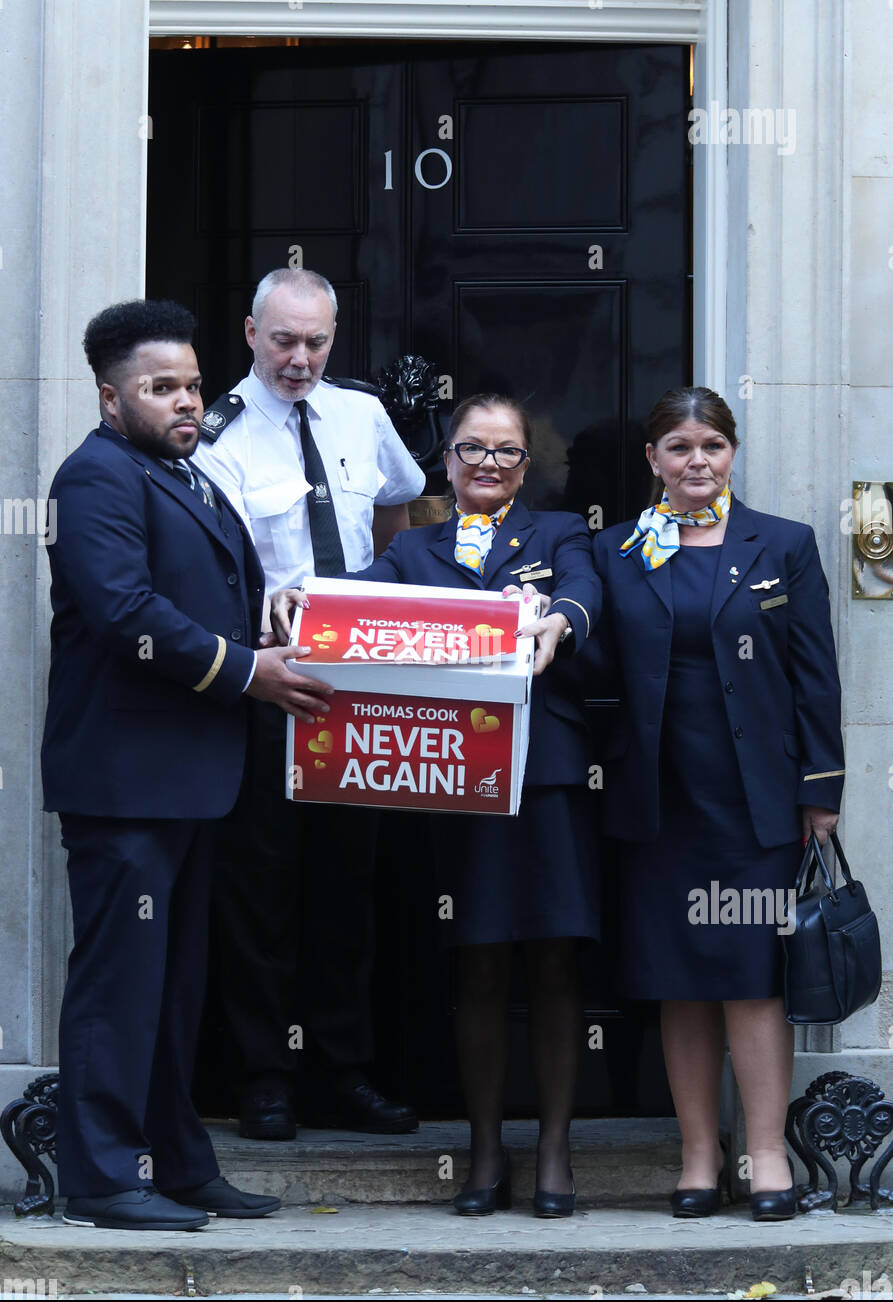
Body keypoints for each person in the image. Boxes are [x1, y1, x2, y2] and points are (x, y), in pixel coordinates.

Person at [272, 393, 602, 1216]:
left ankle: (555, 1149)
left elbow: (586, 596)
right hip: (460, 782)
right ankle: (484, 1148)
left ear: (527, 465)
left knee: (556, 957)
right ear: (445, 462)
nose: (488, 465)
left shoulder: (559, 534)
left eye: (506, 452)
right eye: (471, 450)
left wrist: (558, 620)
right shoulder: (412, 548)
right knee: (479, 960)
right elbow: (351, 610)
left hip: (551, 774)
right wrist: (294, 597)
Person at [41, 300, 328, 1229]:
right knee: (120, 984)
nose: (187, 403)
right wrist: (248, 671)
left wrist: (266, 617)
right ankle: (98, 1179)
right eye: (161, 388)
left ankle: (174, 1162)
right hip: (127, 782)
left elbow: (201, 593)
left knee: (174, 986)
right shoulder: (95, 477)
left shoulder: (185, 474)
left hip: (194, 779)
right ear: (110, 396)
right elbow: (126, 614)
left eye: (194, 385)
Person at [591, 387, 845, 1222]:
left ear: (730, 453)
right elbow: (593, 667)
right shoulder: (617, 549)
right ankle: (698, 1156)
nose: (696, 461)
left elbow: (815, 676)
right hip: (658, 800)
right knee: (679, 980)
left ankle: (765, 1156)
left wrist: (820, 793)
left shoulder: (782, 544)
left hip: (752, 805)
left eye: (710, 445)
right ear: (651, 460)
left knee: (748, 978)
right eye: (677, 447)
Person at [194, 268, 425, 1140]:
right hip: (269, 687)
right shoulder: (213, 432)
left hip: (360, 693)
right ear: (250, 332)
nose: (299, 359)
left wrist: (380, 611)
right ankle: (263, 1078)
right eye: (283, 340)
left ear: (334, 337)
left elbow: (399, 518)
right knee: (260, 890)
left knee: (349, 886)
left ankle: (345, 1071)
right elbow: (202, 560)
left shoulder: (362, 415)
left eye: (316, 342)